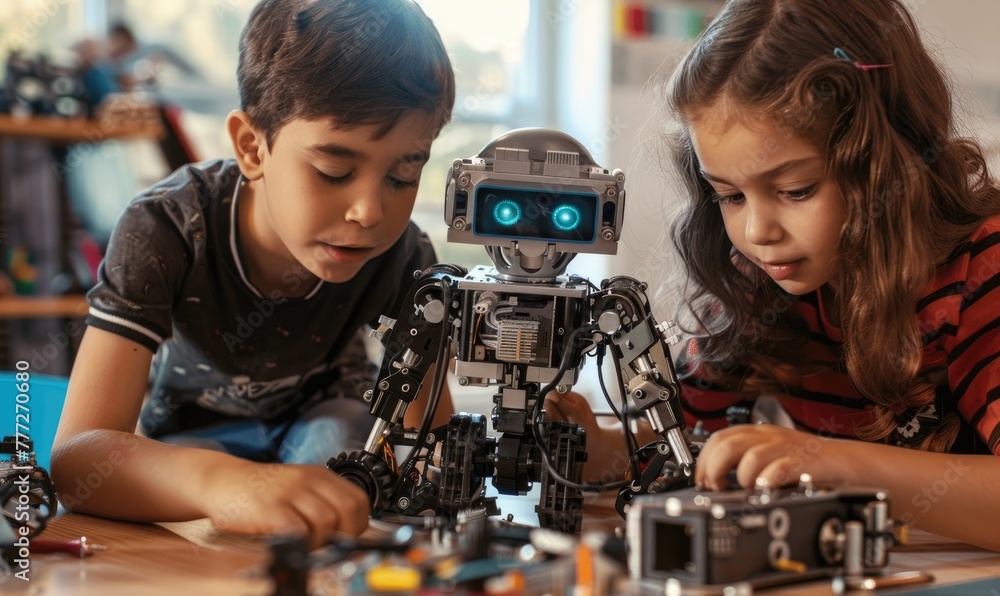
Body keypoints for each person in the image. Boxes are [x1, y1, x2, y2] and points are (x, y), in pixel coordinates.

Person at [546, 0, 1000, 551]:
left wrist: (833, 462)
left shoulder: (981, 270)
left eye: (796, 190)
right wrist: (600, 446)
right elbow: (692, 441)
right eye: (730, 196)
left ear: (887, 163)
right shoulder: (757, 285)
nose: (758, 231)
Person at [51, 0, 455, 547]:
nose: (369, 213)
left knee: (334, 444)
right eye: (334, 171)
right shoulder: (166, 228)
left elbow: (429, 438)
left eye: (404, 176)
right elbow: (79, 459)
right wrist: (221, 482)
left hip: (327, 433)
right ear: (251, 146)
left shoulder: (405, 257)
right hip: (194, 445)